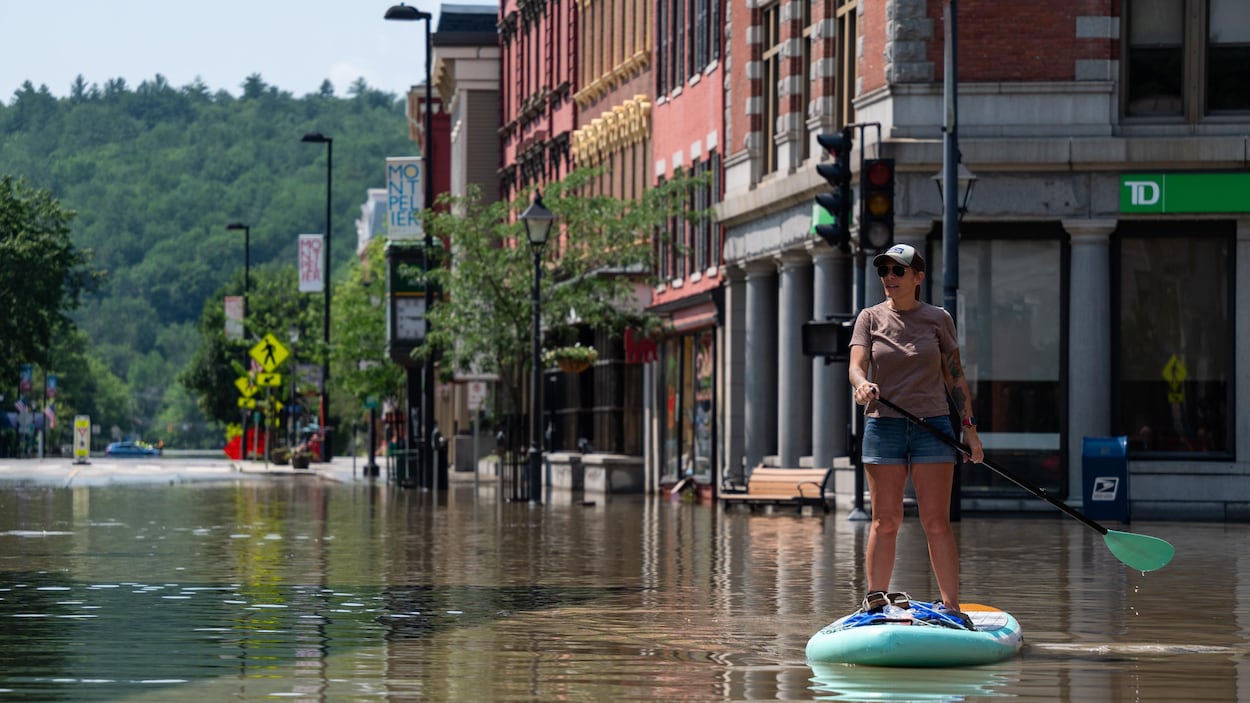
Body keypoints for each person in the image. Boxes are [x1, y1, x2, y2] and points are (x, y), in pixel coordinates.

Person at [848, 243, 984, 628]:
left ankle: (952, 608)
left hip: (934, 428)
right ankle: (875, 604)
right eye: (884, 271)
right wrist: (861, 384)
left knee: (936, 522)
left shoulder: (938, 319)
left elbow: (954, 377)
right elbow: (856, 367)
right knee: (884, 521)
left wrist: (970, 432)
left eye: (898, 271)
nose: (889, 277)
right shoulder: (868, 318)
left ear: (918, 277)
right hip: (883, 425)